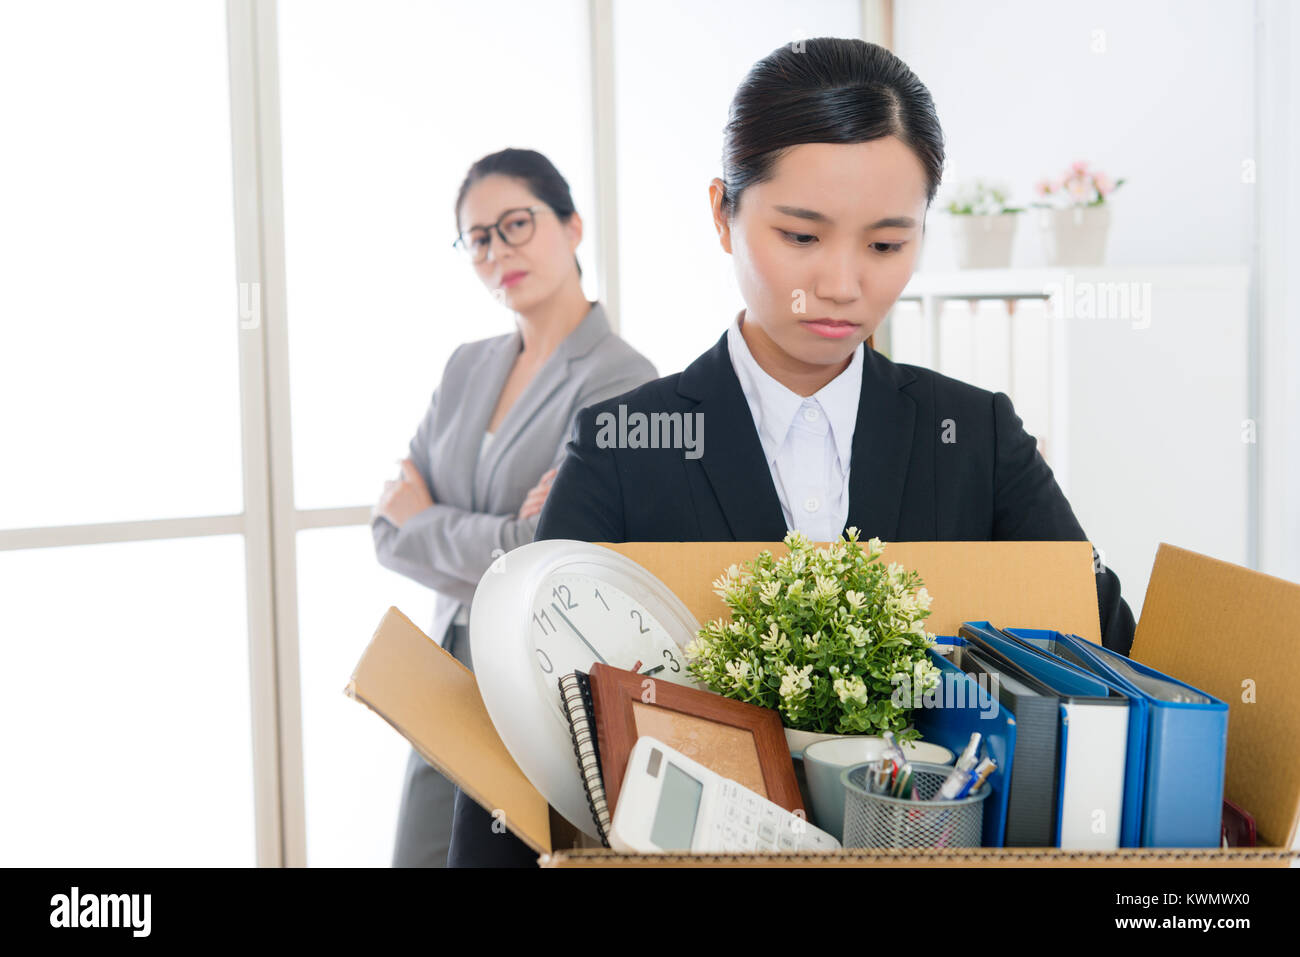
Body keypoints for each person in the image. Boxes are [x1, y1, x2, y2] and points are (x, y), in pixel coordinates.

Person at [446, 37, 1137, 865]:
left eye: (886, 245)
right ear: (722, 213)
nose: (842, 283)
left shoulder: (976, 434)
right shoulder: (623, 444)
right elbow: (531, 721)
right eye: (802, 236)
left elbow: (1098, 642)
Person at [372, 147, 657, 868]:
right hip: (442, 669)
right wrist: (495, 536)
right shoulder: (467, 367)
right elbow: (385, 529)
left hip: (534, 676)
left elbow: (547, 549)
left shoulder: (622, 378)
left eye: (517, 224)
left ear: (572, 225)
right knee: (418, 852)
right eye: (479, 238)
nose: (499, 250)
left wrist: (428, 517)